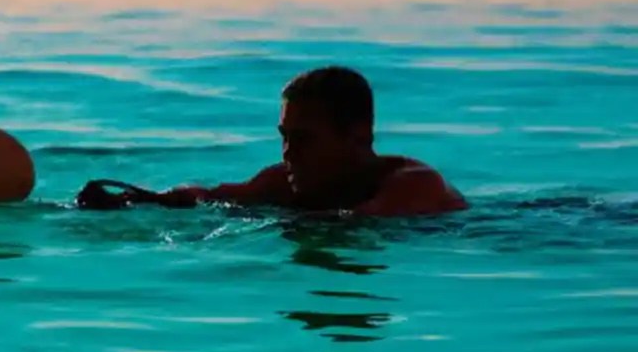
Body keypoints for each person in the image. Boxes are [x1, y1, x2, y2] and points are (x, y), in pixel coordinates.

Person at [81, 66, 467, 216]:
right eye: (284, 137)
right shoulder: (285, 179)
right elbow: (211, 196)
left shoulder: (414, 184)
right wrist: (143, 200)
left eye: (305, 139)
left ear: (358, 136)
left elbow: (360, 228)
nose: (289, 153)